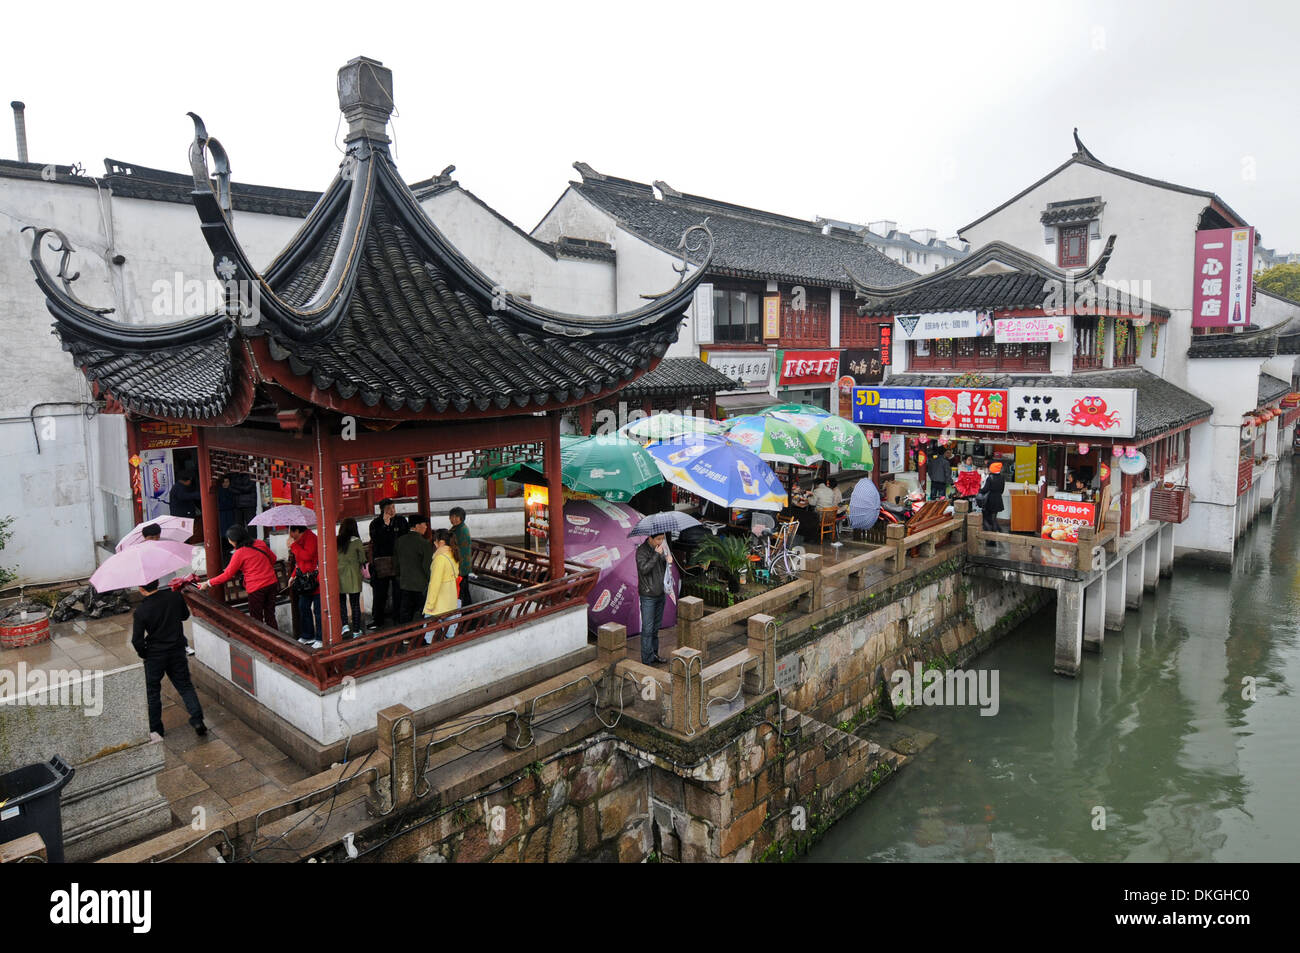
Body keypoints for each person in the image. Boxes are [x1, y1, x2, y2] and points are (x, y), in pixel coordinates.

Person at [132, 579, 206, 740]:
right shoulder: (174, 597)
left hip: (155, 655)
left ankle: (156, 729)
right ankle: (197, 719)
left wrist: (145, 653)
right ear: (157, 583)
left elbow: (137, 641)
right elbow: (185, 615)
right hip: (177, 649)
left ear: (141, 588)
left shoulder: (141, 611)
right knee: (185, 686)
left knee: (153, 692)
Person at [198, 525, 280, 630]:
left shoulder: (239, 553)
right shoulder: (260, 543)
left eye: (230, 539)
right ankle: (277, 639)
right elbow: (273, 559)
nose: (229, 541)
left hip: (256, 588)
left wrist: (208, 583)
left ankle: (262, 643)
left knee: (256, 619)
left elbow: (227, 574)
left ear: (235, 540)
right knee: (270, 615)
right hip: (272, 583)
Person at [635, 533, 672, 665]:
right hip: (648, 595)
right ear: (650, 538)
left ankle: (654, 654)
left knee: (656, 628)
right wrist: (656, 555)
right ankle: (646, 659)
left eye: (662, 539)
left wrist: (667, 560)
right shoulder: (641, 551)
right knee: (647, 629)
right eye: (658, 539)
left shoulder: (661, 548)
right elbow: (644, 569)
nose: (660, 541)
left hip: (660, 592)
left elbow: (662, 569)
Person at [423, 528, 461, 642]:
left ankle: (428, 647)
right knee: (450, 629)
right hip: (450, 598)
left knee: (429, 631)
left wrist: (429, 605)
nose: (434, 544)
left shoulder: (439, 558)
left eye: (435, 541)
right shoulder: (453, 554)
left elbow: (434, 584)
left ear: (441, 542)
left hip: (438, 601)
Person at [368, 499, 400, 628]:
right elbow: (376, 539)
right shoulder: (375, 523)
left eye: (393, 507)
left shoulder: (400, 521)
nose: (392, 510)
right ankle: (378, 619)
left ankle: (398, 617)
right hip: (381, 562)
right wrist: (385, 526)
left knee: (399, 591)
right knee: (380, 592)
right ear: (383, 510)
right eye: (389, 508)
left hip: (397, 560)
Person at [395, 514, 433, 624]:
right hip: (420, 584)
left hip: (404, 583)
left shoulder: (400, 541)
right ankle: (420, 636)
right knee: (421, 611)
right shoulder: (424, 543)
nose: (426, 527)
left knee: (406, 611)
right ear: (416, 526)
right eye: (424, 524)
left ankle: (406, 637)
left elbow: (396, 563)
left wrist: (399, 578)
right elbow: (428, 566)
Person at [288, 525, 322, 647]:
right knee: (303, 608)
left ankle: (320, 638)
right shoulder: (299, 541)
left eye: (290, 531)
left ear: (297, 531)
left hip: (315, 580)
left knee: (318, 611)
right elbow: (299, 562)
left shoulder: (311, 538)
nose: (290, 535)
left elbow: (307, 556)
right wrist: (293, 576)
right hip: (303, 581)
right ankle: (308, 635)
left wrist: (293, 546)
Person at [336, 517, 368, 637]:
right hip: (353, 575)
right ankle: (356, 631)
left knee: (341, 602)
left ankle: (344, 625)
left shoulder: (336, 540)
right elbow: (362, 559)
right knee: (355, 604)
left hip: (338, 575)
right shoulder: (356, 541)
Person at [449, 506, 474, 608]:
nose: (453, 519)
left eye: (456, 517)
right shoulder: (457, 528)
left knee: (462, 592)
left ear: (461, 518)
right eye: (451, 517)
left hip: (461, 566)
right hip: (462, 565)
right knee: (463, 591)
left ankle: (467, 614)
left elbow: (458, 549)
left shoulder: (461, 530)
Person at [981, 462, 1006, 539]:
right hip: (998, 499)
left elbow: (985, 489)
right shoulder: (1002, 477)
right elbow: (1002, 490)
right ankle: (995, 535)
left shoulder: (990, 478)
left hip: (990, 499)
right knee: (994, 518)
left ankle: (990, 536)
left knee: (985, 517)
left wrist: (979, 490)